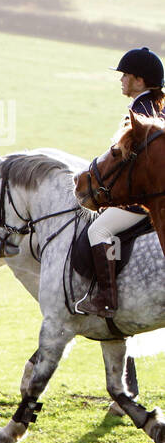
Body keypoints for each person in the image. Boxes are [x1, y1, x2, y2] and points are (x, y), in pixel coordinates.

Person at [77, 46, 165, 317]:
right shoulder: (152, 105)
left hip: (142, 198)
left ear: (140, 80)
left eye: (125, 75)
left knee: (97, 231)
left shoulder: (141, 111)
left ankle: (107, 297)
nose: (121, 80)